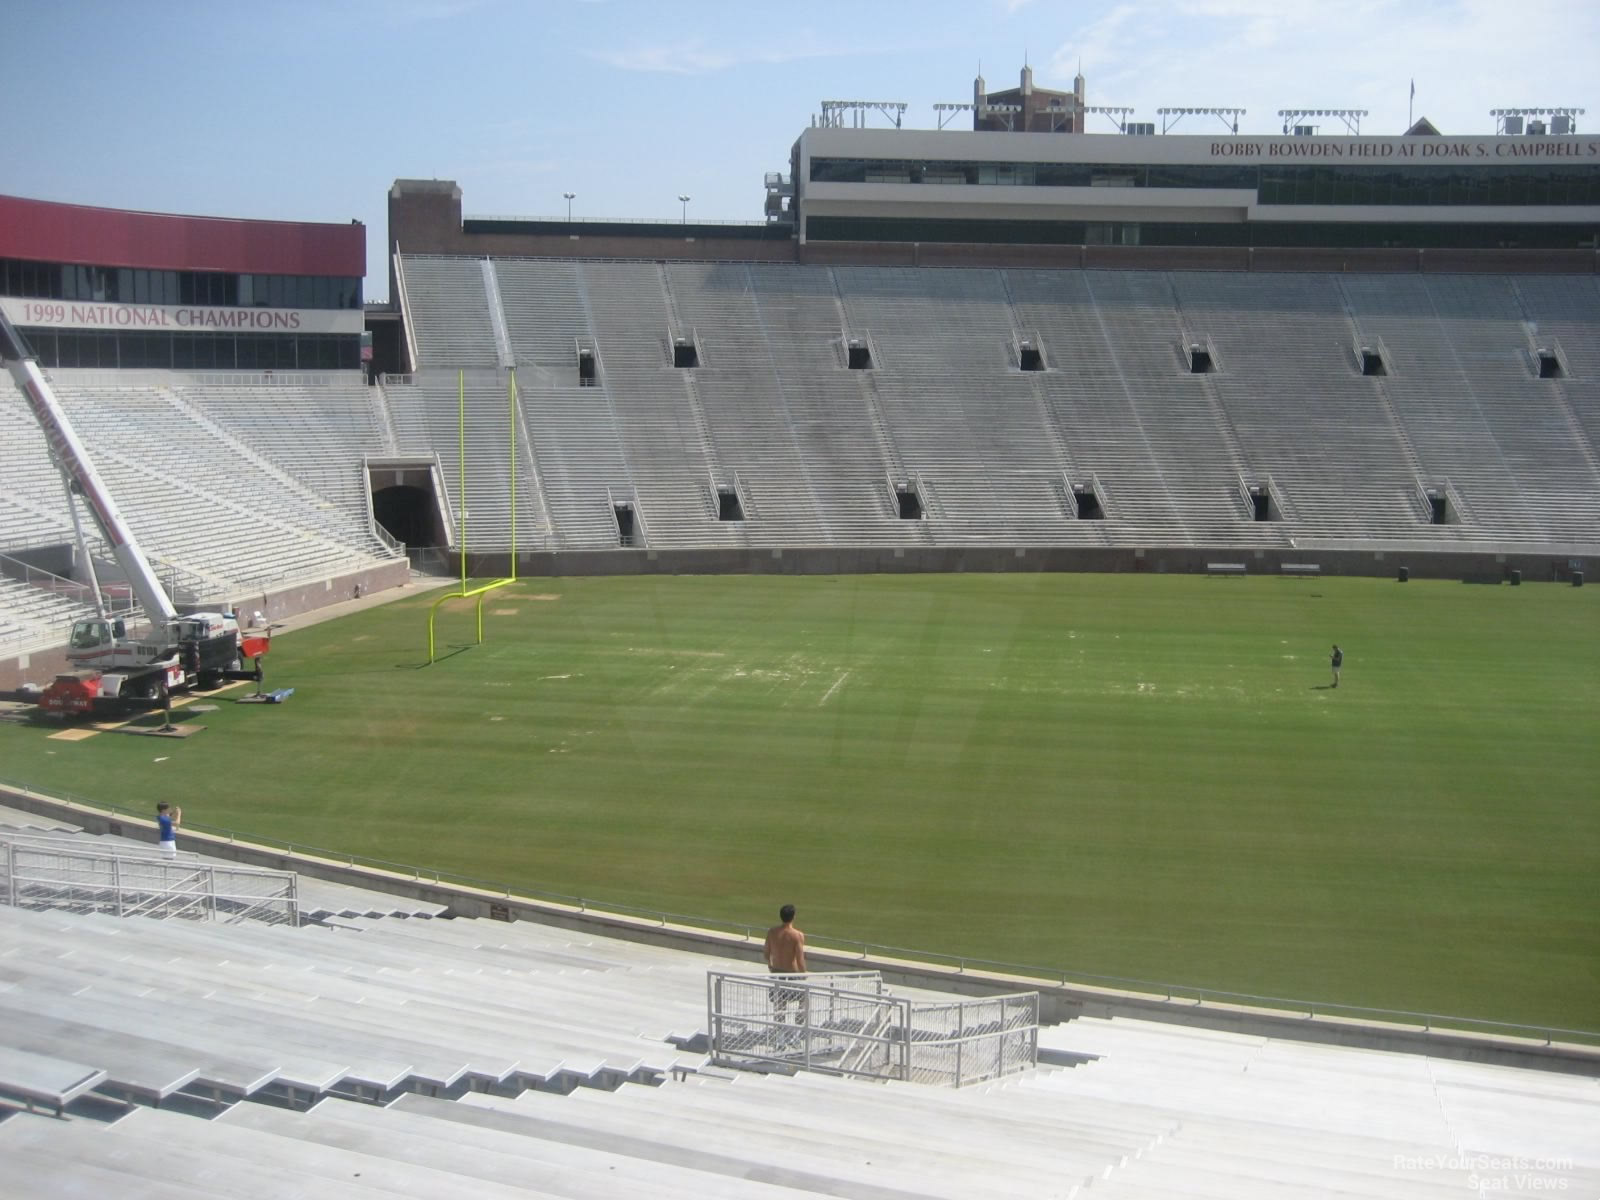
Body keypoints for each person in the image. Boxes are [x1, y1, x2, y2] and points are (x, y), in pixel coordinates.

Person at [764, 904, 807, 1038]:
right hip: (791, 975)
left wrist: (770, 965)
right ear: (793, 917)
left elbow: (766, 953)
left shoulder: (772, 932)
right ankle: (797, 1030)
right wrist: (804, 974)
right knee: (804, 999)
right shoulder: (797, 935)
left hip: (777, 973)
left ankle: (780, 1034)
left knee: (780, 1005)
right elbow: (800, 959)